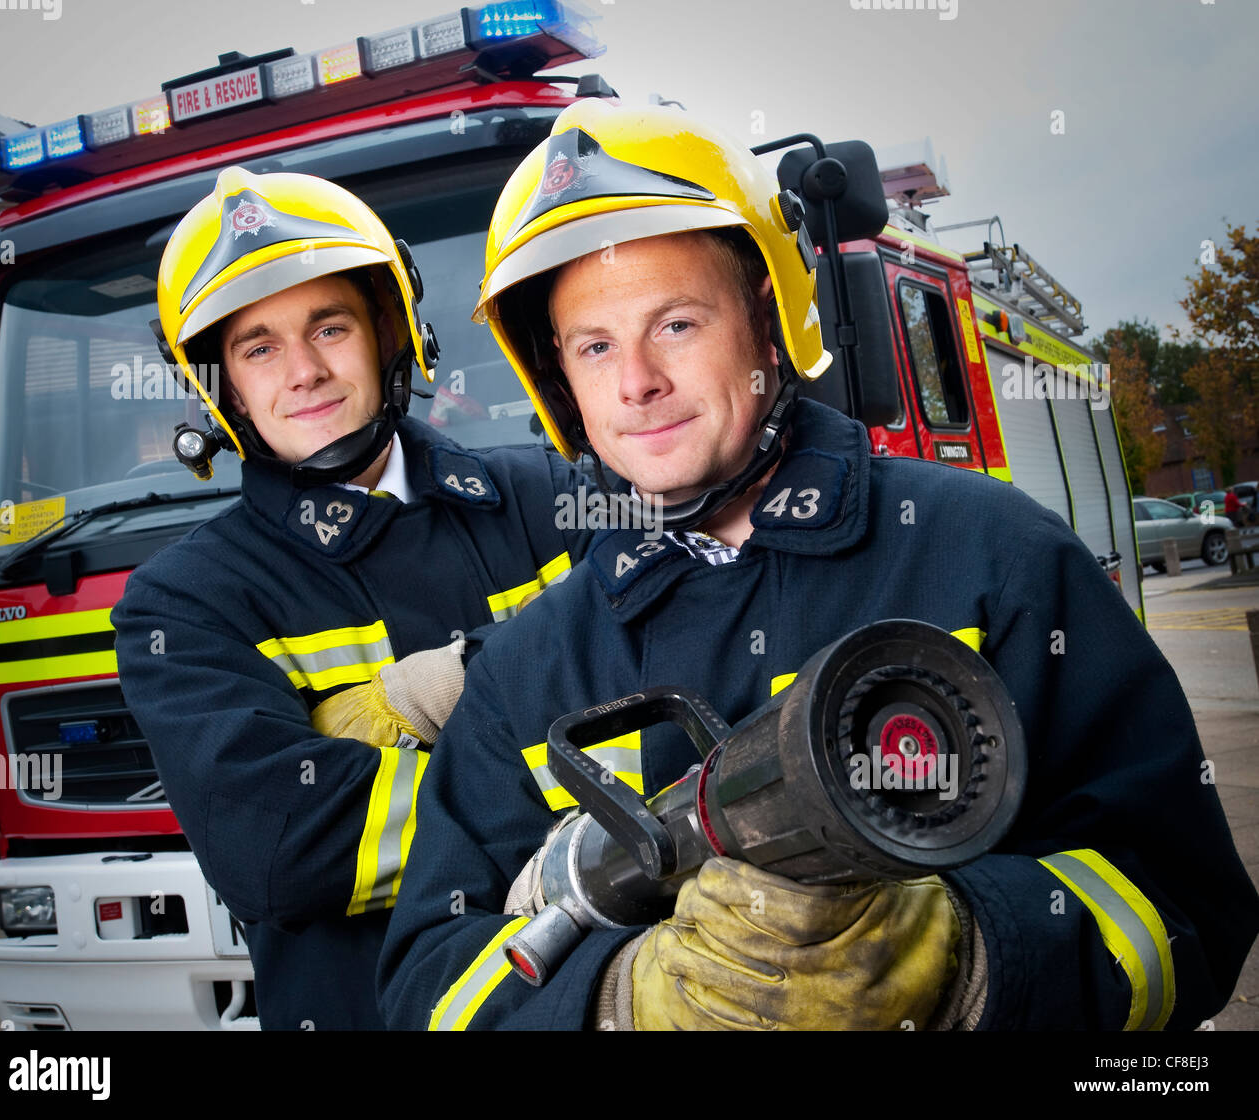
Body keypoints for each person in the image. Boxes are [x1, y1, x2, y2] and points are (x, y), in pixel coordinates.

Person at [375, 99, 1259, 1031]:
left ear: (768, 322)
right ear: (561, 379)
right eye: (596, 346)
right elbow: (428, 989)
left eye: (675, 324)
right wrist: (620, 1001)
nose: (636, 381)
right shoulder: (529, 673)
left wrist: (968, 962)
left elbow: (1184, 911)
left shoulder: (994, 556)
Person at [112, 167, 592, 1029]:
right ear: (220, 386)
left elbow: (683, 707)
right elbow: (276, 847)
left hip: (603, 999)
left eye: (328, 326)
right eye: (258, 348)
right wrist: (580, 786)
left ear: (389, 332)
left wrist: (432, 698)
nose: (303, 372)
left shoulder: (553, 499)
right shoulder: (184, 604)